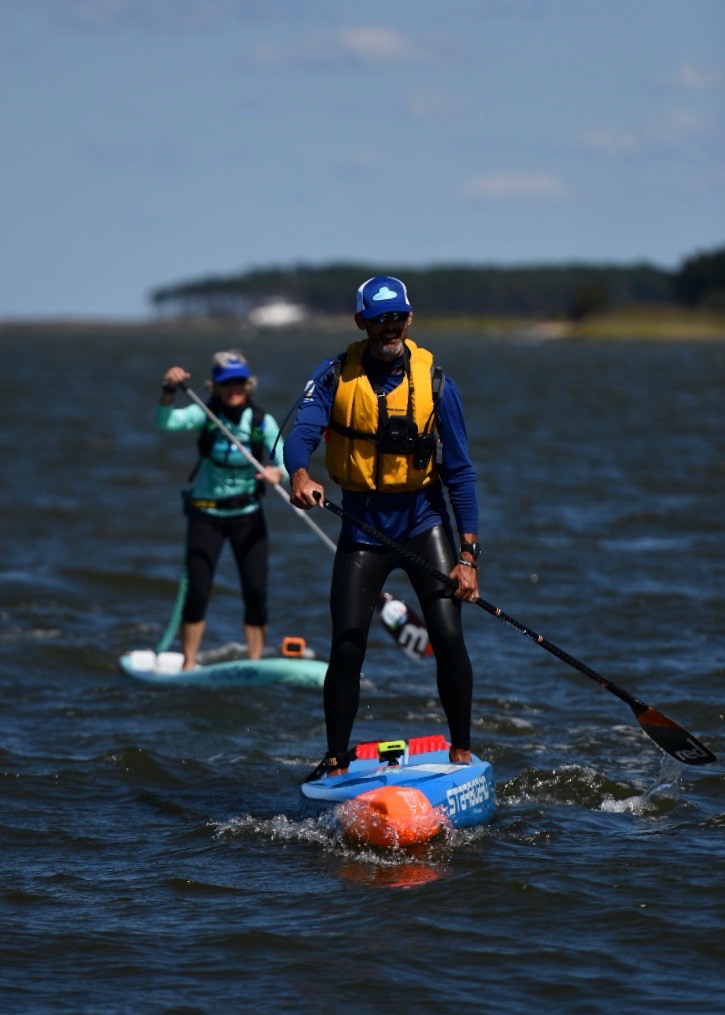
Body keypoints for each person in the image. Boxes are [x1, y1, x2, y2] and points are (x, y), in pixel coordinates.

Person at [284, 275, 481, 776]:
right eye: (379, 319)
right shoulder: (333, 377)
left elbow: (459, 471)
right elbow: (301, 433)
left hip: (424, 522)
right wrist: (301, 474)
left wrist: (468, 557)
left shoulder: (437, 381)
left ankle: (461, 752)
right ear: (361, 323)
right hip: (361, 528)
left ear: (409, 319)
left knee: (447, 637)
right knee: (347, 645)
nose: (389, 327)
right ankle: (335, 760)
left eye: (397, 317)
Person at [157, 350, 287, 668]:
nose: (234, 389)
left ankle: (255, 662)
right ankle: (189, 663)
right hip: (206, 516)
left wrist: (277, 473)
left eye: (239, 383)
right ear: (214, 387)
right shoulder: (205, 414)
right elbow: (166, 422)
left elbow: (283, 457)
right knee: (198, 591)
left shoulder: (260, 422)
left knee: (255, 590)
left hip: (248, 516)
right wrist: (169, 391)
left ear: (248, 385)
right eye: (226, 384)